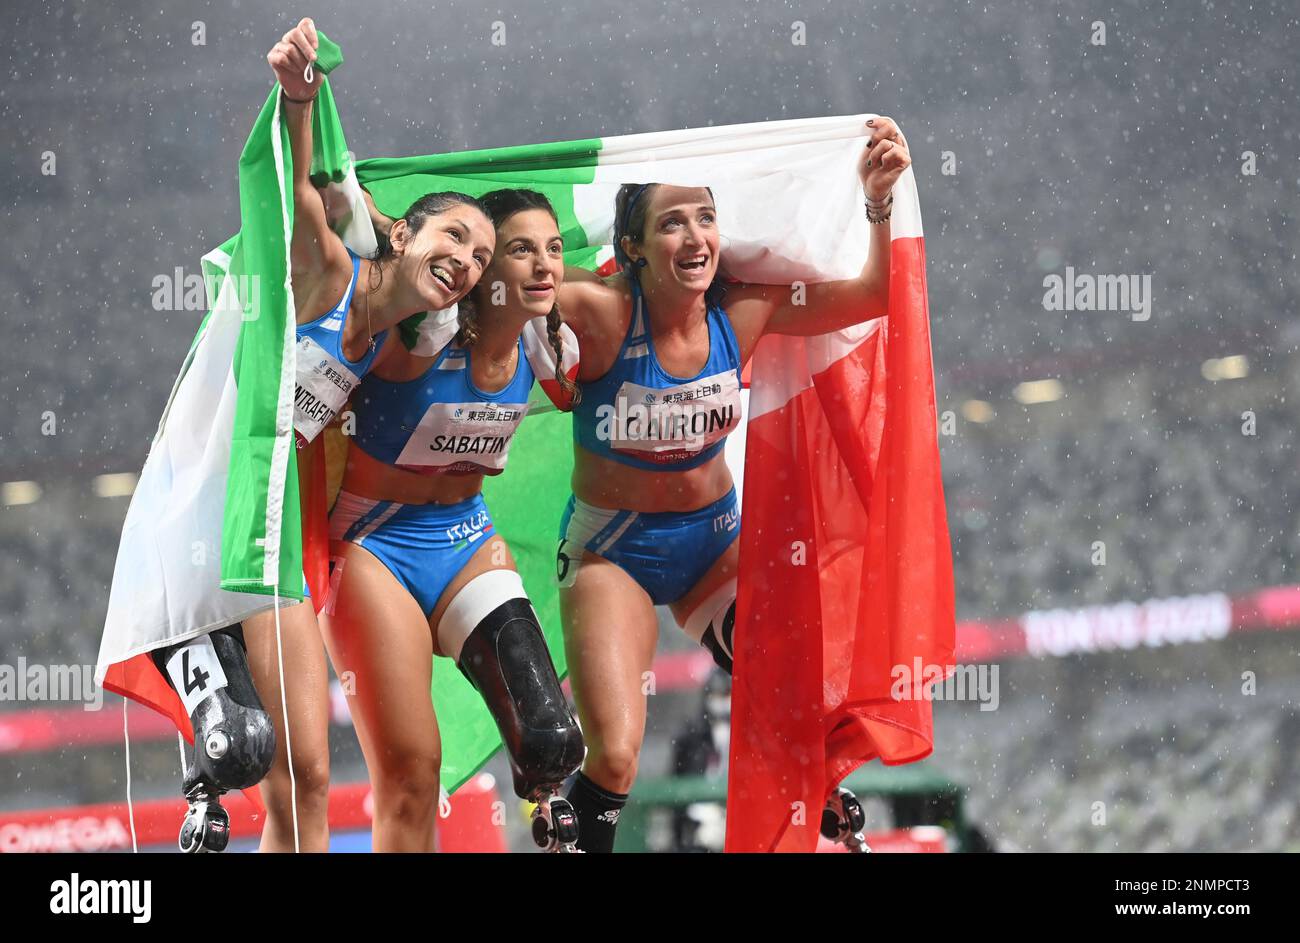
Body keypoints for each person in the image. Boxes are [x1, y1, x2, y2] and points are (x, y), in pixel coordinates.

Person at [154, 17, 497, 852]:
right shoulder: (330, 275)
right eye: (455, 234)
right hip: (230, 519)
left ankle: (210, 721)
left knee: (304, 783)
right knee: (279, 771)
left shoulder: (389, 341)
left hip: (290, 539)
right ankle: (202, 711)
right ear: (404, 232)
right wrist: (298, 99)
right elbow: (296, 198)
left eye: (483, 255)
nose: (469, 259)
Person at [552, 117, 912, 851]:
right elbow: (499, 274)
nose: (695, 239)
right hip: (613, 553)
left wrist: (879, 199)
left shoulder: (746, 310)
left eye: (707, 218)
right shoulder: (599, 312)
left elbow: (876, 293)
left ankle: (817, 822)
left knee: (805, 714)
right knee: (615, 756)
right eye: (672, 223)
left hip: (715, 544)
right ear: (632, 247)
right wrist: (391, 228)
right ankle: (576, 835)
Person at [320, 188, 585, 852]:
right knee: (411, 774)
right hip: (373, 541)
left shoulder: (550, 341)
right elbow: (366, 252)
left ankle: (551, 820)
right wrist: (361, 204)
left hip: (466, 537)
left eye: (552, 249)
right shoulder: (420, 331)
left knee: (552, 740)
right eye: (519, 250)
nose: (544, 265)